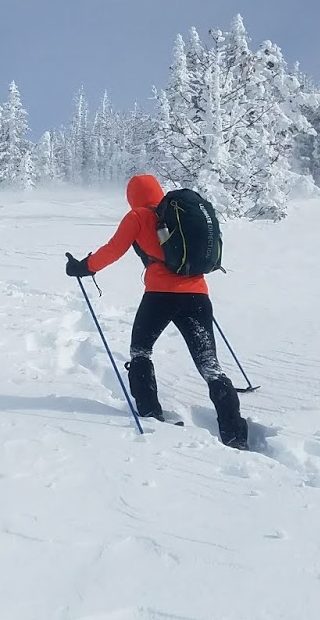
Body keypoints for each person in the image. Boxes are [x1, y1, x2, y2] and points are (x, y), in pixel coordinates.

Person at [65, 173, 248, 448]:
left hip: (159, 296)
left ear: (132, 197)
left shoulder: (138, 216)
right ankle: (235, 434)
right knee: (211, 366)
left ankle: (149, 413)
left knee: (141, 351)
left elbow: (113, 250)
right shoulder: (178, 214)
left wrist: (82, 267)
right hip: (198, 295)